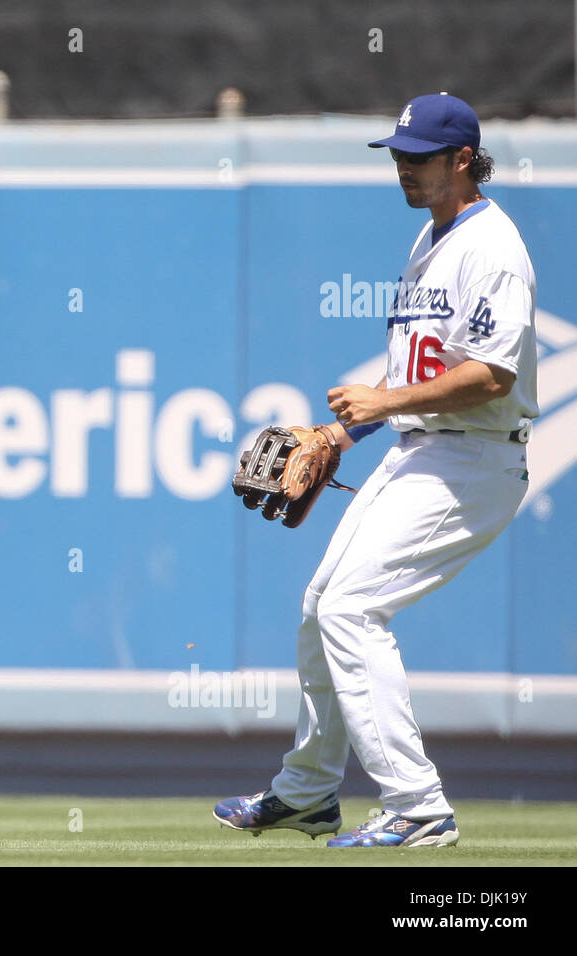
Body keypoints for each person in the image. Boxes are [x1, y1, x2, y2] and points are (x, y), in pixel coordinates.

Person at [215, 93, 538, 847]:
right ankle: (307, 793)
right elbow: (418, 370)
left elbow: (491, 375)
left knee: (353, 610)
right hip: (423, 447)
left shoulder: (492, 248)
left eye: (419, 156)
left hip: (473, 455)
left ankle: (418, 806)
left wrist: (382, 400)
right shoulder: (432, 239)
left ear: (463, 159)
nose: (403, 168)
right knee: (321, 602)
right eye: (397, 154)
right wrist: (341, 431)